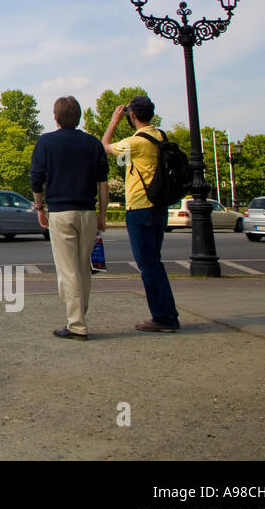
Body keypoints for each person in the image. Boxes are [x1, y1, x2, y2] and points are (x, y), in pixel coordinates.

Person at [30, 96, 109, 341]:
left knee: (67, 270)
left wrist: (40, 207)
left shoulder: (46, 143)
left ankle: (76, 324)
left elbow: (36, 178)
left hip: (61, 212)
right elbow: (103, 183)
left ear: (55, 117)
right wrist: (102, 215)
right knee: (83, 268)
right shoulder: (93, 143)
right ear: (79, 117)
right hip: (86, 212)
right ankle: (79, 317)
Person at [102, 95, 180, 333]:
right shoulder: (161, 136)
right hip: (159, 206)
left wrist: (114, 121)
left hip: (139, 207)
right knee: (154, 261)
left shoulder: (135, 142)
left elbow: (103, 146)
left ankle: (164, 318)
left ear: (132, 116)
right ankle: (167, 314)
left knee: (147, 265)